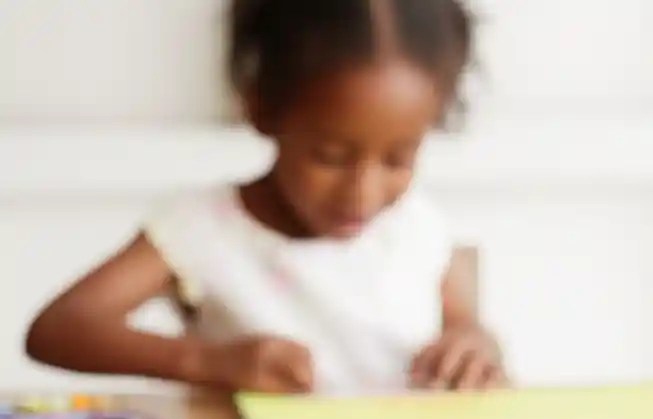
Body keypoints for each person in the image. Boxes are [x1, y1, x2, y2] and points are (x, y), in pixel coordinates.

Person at [25, 0, 504, 394]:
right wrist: (209, 362)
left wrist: (476, 344)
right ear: (261, 108)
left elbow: (466, 327)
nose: (362, 194)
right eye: (330, 157)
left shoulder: (418, 225)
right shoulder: (203, 228)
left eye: (397, 159)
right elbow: (60, 329)